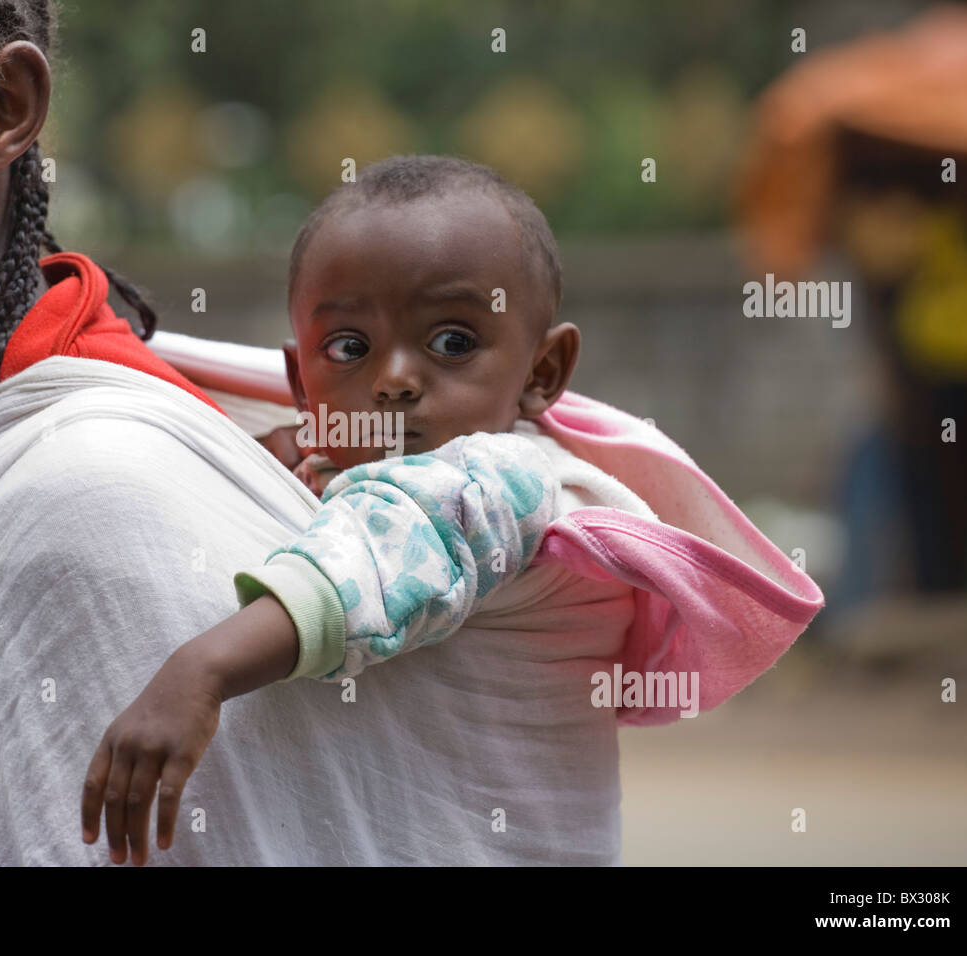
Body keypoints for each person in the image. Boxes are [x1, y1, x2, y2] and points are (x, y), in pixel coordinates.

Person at [83, 156, 828, 865]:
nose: (396, 379)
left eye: (451, 341)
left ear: (544, 372)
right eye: (349, 347)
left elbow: (382, 555)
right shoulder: (331, 456)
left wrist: (201, 669)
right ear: (299, 380)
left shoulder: (506, 482)